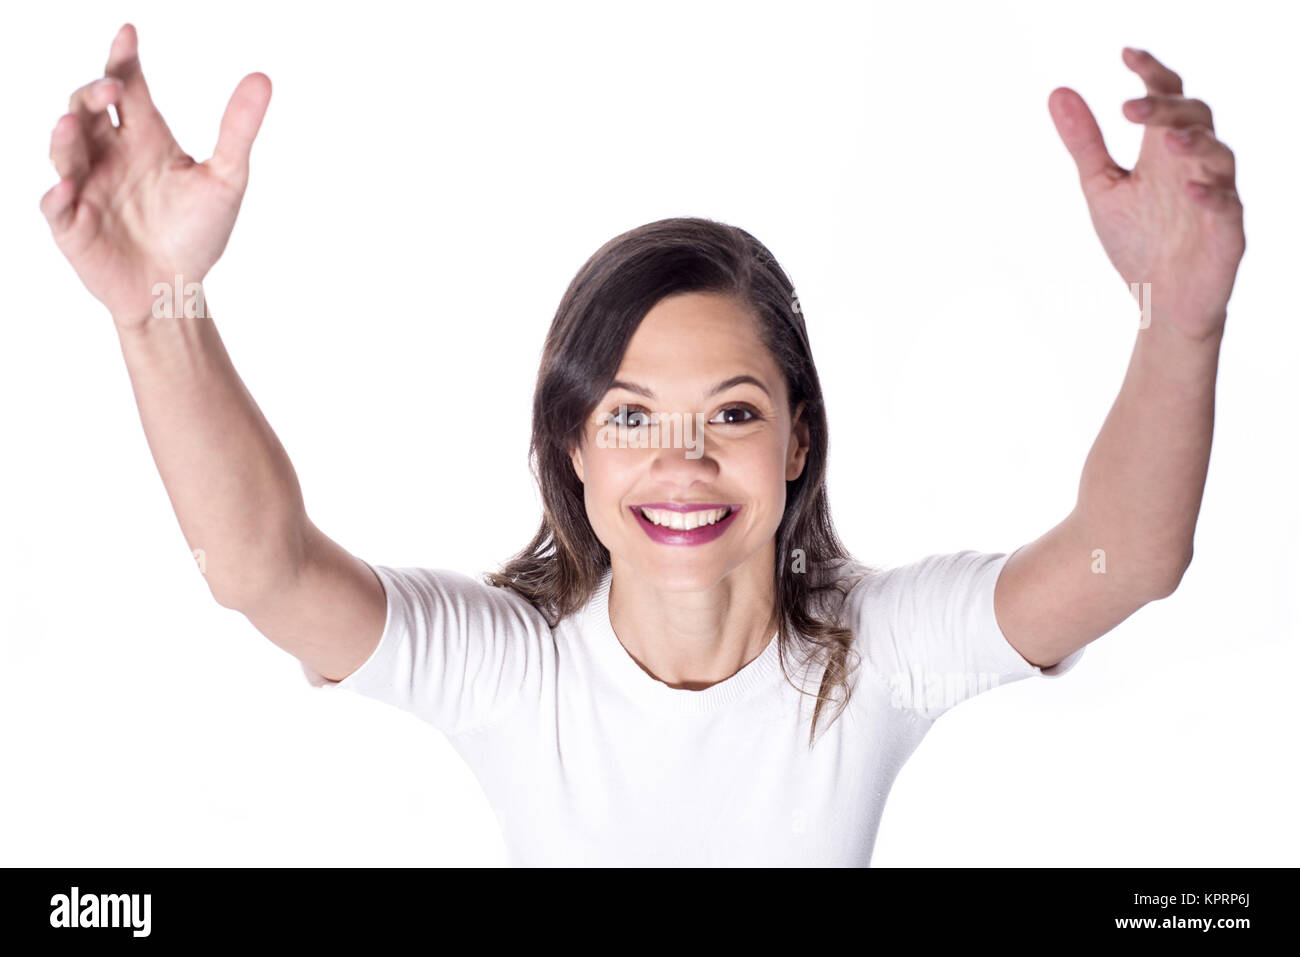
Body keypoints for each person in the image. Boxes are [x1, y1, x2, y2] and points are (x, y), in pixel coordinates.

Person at [42, 25, 1245, 866]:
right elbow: (262, 572)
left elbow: (1120, 561)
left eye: (730, 413)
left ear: (794, 443)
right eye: (629, 418)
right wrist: (159, 312)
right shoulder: (512, 674)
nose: (680, 465)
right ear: (574, 449)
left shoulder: (878, 659)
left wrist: (1177, 321)